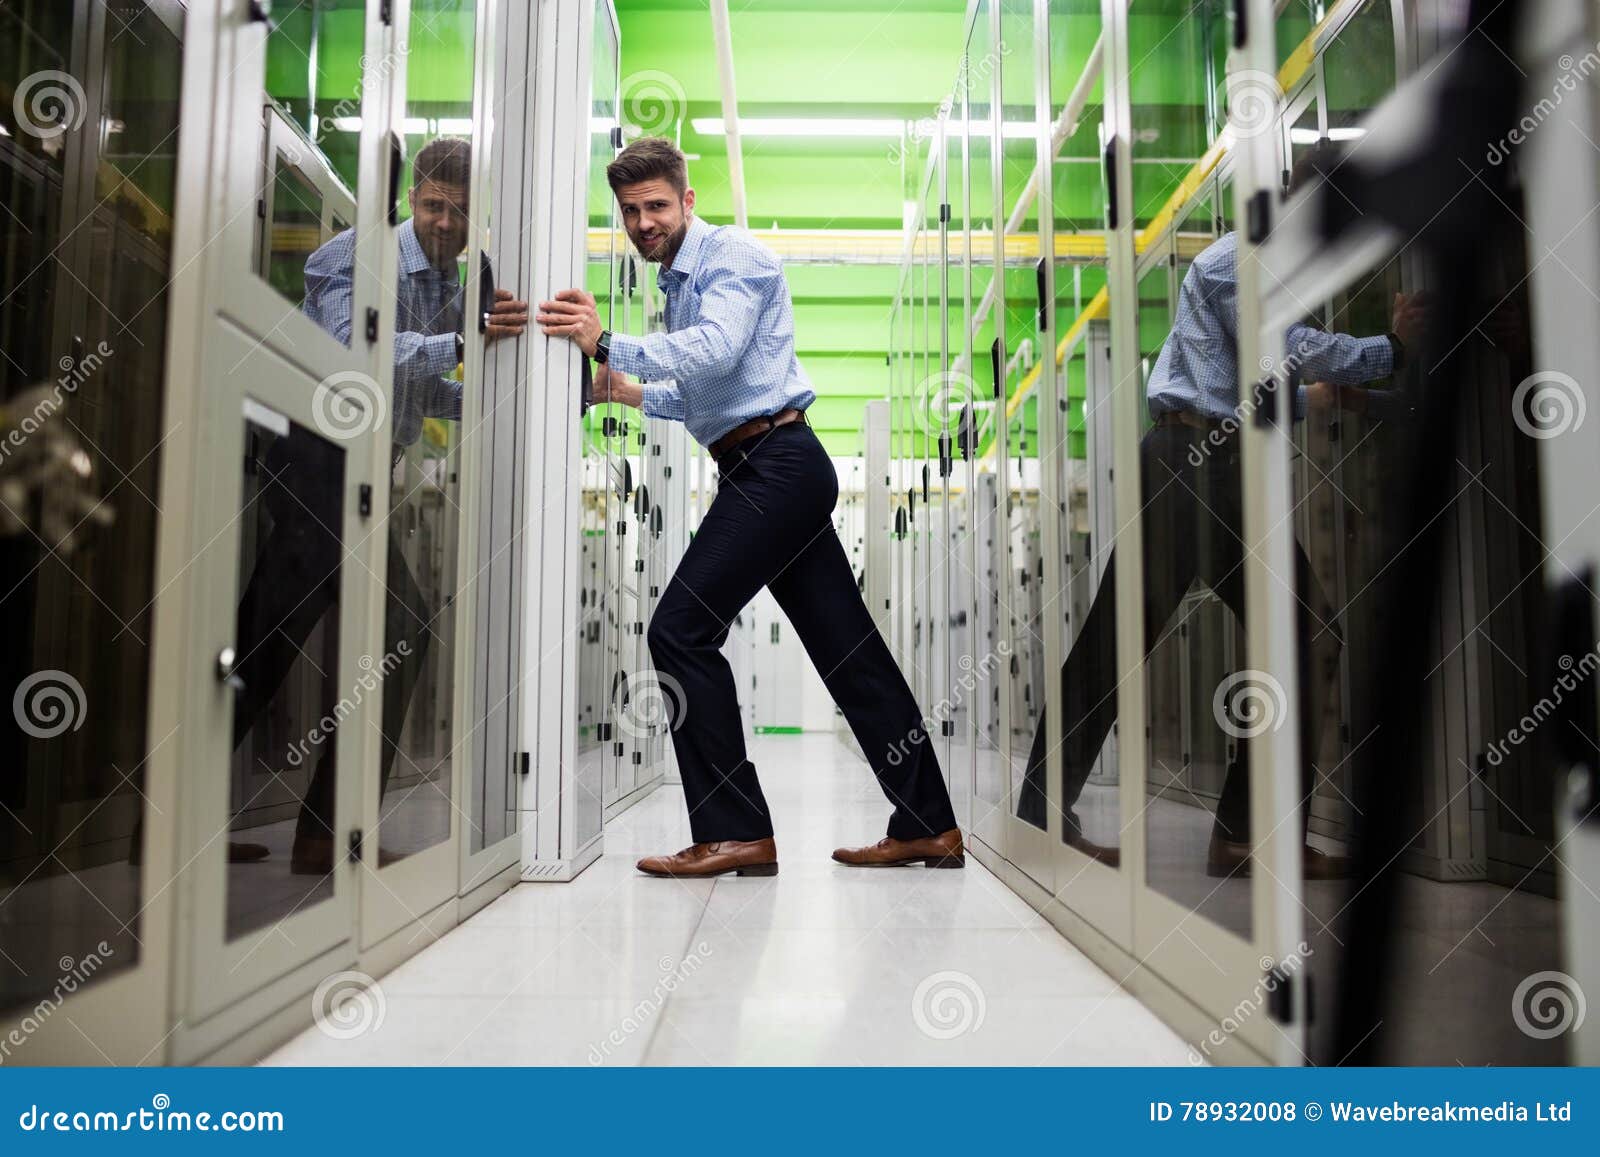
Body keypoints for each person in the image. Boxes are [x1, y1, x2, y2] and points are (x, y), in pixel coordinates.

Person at [537, 137, 961, 878]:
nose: (644, 223)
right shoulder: (677, 282)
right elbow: (706, 392)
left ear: (687, 201)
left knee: (679, 628)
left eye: (657, 206)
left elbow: (715, 352)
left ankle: (735, 828)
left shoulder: (732, 258)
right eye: (632, 211)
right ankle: (929, 823)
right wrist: (621, 389)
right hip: (761, 465)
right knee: (850, 652)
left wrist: (606, 342)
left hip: (778, 467)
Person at [1016, 140, 1425, 878]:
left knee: (1288, 631)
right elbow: (1290, 349)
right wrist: (1390, 349)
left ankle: (1237, 833)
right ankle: (1070, 817)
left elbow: (1256, 389)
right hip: (1191, 469)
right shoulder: (1247, 259)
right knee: (1143, 642)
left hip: (1210, 463)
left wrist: (1342, 399)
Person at [228, 136, 528, 874]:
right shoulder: (355, 256)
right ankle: (327, 829)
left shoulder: (454, 279)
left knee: (266, 642)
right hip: (312, 456)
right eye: (434, 206)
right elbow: (348, 355)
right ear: (412, 197)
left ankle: (197, 824)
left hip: (362, 467)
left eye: (460, 212)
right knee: (403, 622)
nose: (446, 223)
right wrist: (457, 339)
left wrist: (524, 380)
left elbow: (426, 391)